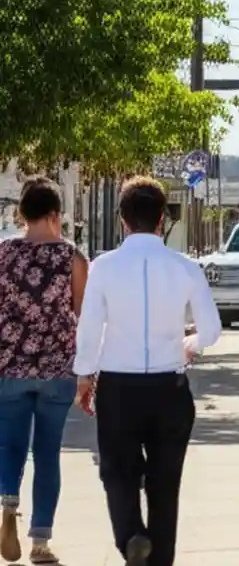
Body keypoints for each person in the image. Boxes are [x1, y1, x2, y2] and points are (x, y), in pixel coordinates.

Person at [74, 177, 222, 566]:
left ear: (123, 219)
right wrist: (187, 346)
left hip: (118, 387)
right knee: (165, 485)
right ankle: (159, 560)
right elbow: (210, 330)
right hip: (168, 387)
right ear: (162, 220)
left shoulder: (103, 267)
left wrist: (85, 376)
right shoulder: (186, 268)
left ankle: (130, 537)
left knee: (117, 473)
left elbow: (89, 327)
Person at [0, 178, 87, 564]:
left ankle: (7, 503)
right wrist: (88, 373)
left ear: (22, 214)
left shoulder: (3, 254)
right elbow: (83, 315)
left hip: (10, 369)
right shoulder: (72, 258)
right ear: (55, 215)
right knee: (47, 452)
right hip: (57, 371)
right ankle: (40, 540)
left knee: (10, 445)